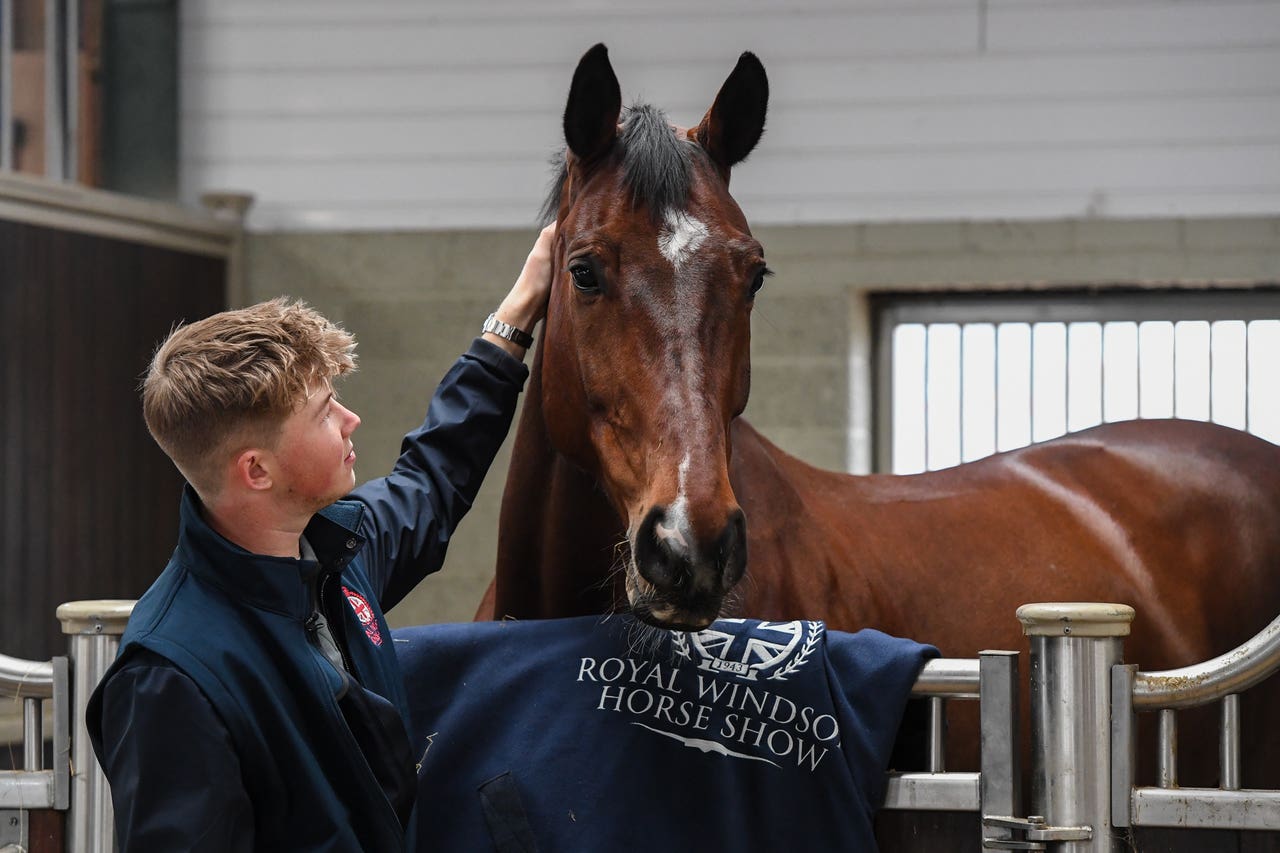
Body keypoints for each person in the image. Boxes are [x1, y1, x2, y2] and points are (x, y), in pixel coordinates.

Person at [86, 224, 556, 852]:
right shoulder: (170, 678)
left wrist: (518, 311)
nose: (350, 419)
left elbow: (435, 474)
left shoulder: (336, 548)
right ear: (257, 470)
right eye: (324, 410)